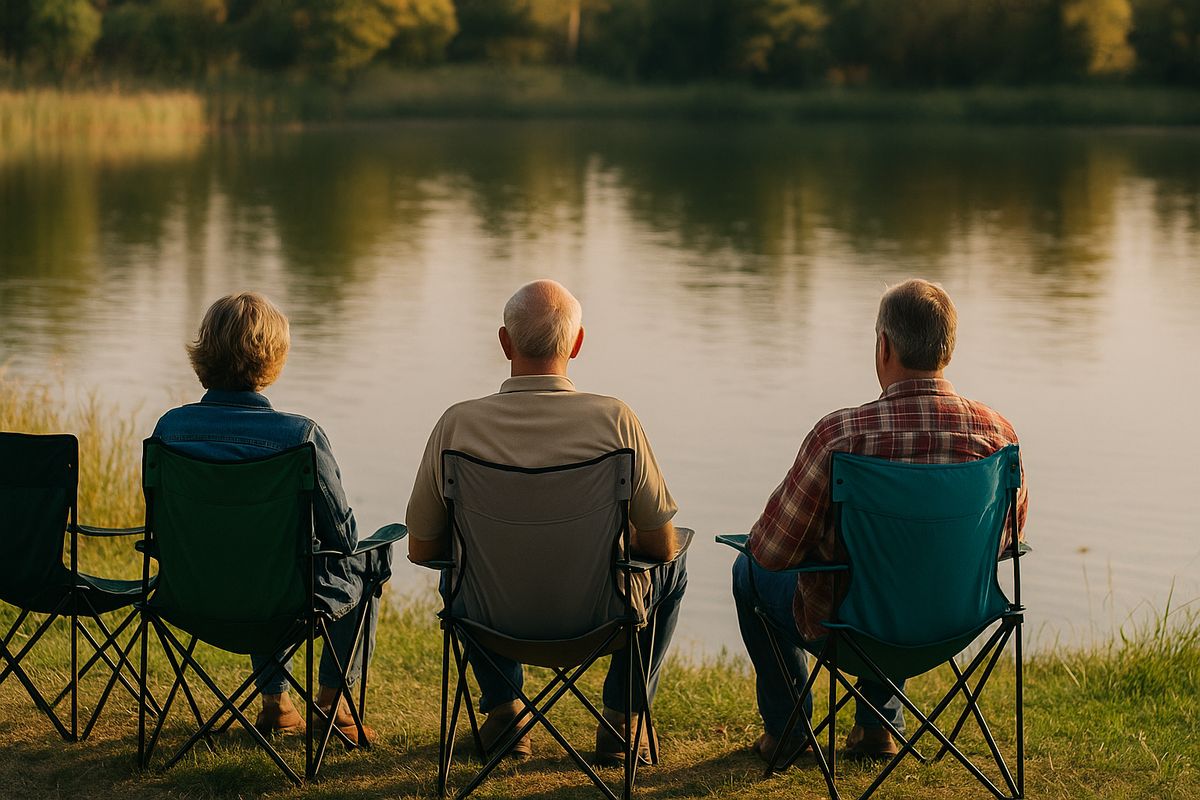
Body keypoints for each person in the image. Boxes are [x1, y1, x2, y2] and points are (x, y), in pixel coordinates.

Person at [734, 278, 1028, 762]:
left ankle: (789, 731)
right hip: (954, 621)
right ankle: (877, 727)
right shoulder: (998, 436)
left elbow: (770, 551)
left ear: (884, 346)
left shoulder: (841, 435)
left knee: (748, 572)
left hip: (849, 628)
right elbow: (1009, 538)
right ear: (948, 348)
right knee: (905, 564)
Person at [405, 278, 687, 765]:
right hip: (600, 621)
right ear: (577, 343)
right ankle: (622, 721)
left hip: (489, 622)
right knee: (674, 565)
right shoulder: (615, 421)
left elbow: (423, 548)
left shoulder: (457, 425)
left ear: (504, 342)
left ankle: (504, 713)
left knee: (459, 566)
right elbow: (661, 547)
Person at [151, 292, 392, 744]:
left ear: (204, 351)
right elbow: (344, 539)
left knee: (260, 557)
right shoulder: (300, 436)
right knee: (368, 558)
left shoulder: (169, 430)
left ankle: (277, 704)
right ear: (273, 358)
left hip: (190, 596)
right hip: (280, 603)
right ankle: (333, 706)